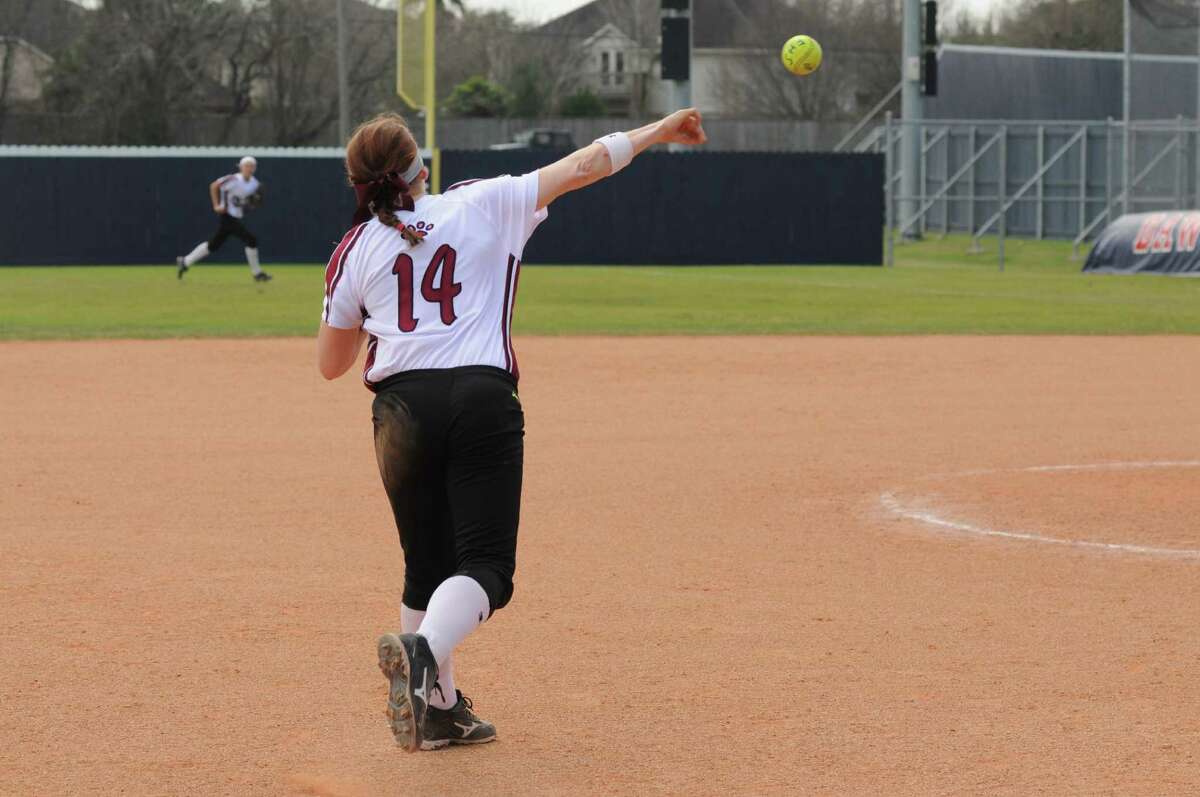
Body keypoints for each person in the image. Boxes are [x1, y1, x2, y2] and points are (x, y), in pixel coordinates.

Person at [316, 108, 707, 751]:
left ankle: (437, 710)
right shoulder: (486, 201)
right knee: (487, 567)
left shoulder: (354, 247)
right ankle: (423, 656)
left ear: (358, 184)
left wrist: (380, 310)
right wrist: (659, 130)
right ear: (422, 168)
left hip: (400, 408)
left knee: (425, 567)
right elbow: (585, 165)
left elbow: (332, 366)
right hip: (480, 397)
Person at [176, 156, 271, 282]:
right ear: (241, 167)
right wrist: (216, 205)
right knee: (251, 240)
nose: (249, 168)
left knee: (213, 245)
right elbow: (214, 186)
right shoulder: (233, 179)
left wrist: (252, 204)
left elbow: (252, 202)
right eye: (247, 165)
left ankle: (185, 261)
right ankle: (257, 273)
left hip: (236, 216)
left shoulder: (254, 183)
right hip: (227, 215)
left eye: (252, 166)